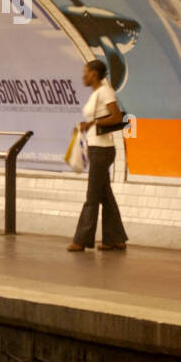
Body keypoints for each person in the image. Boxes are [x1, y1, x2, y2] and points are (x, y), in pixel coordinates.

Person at [68, 59, 127, 252]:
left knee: (92, 196)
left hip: (103, 149)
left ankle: (81, 240)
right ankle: (115, 239)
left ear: (94, 73)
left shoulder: (105, 91)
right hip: (96, 148)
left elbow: (117, 117)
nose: (83, 76)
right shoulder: (96, 94)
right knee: (105, 195)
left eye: (86, 72)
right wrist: (86, 125)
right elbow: (97, 118)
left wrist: (92, 123)